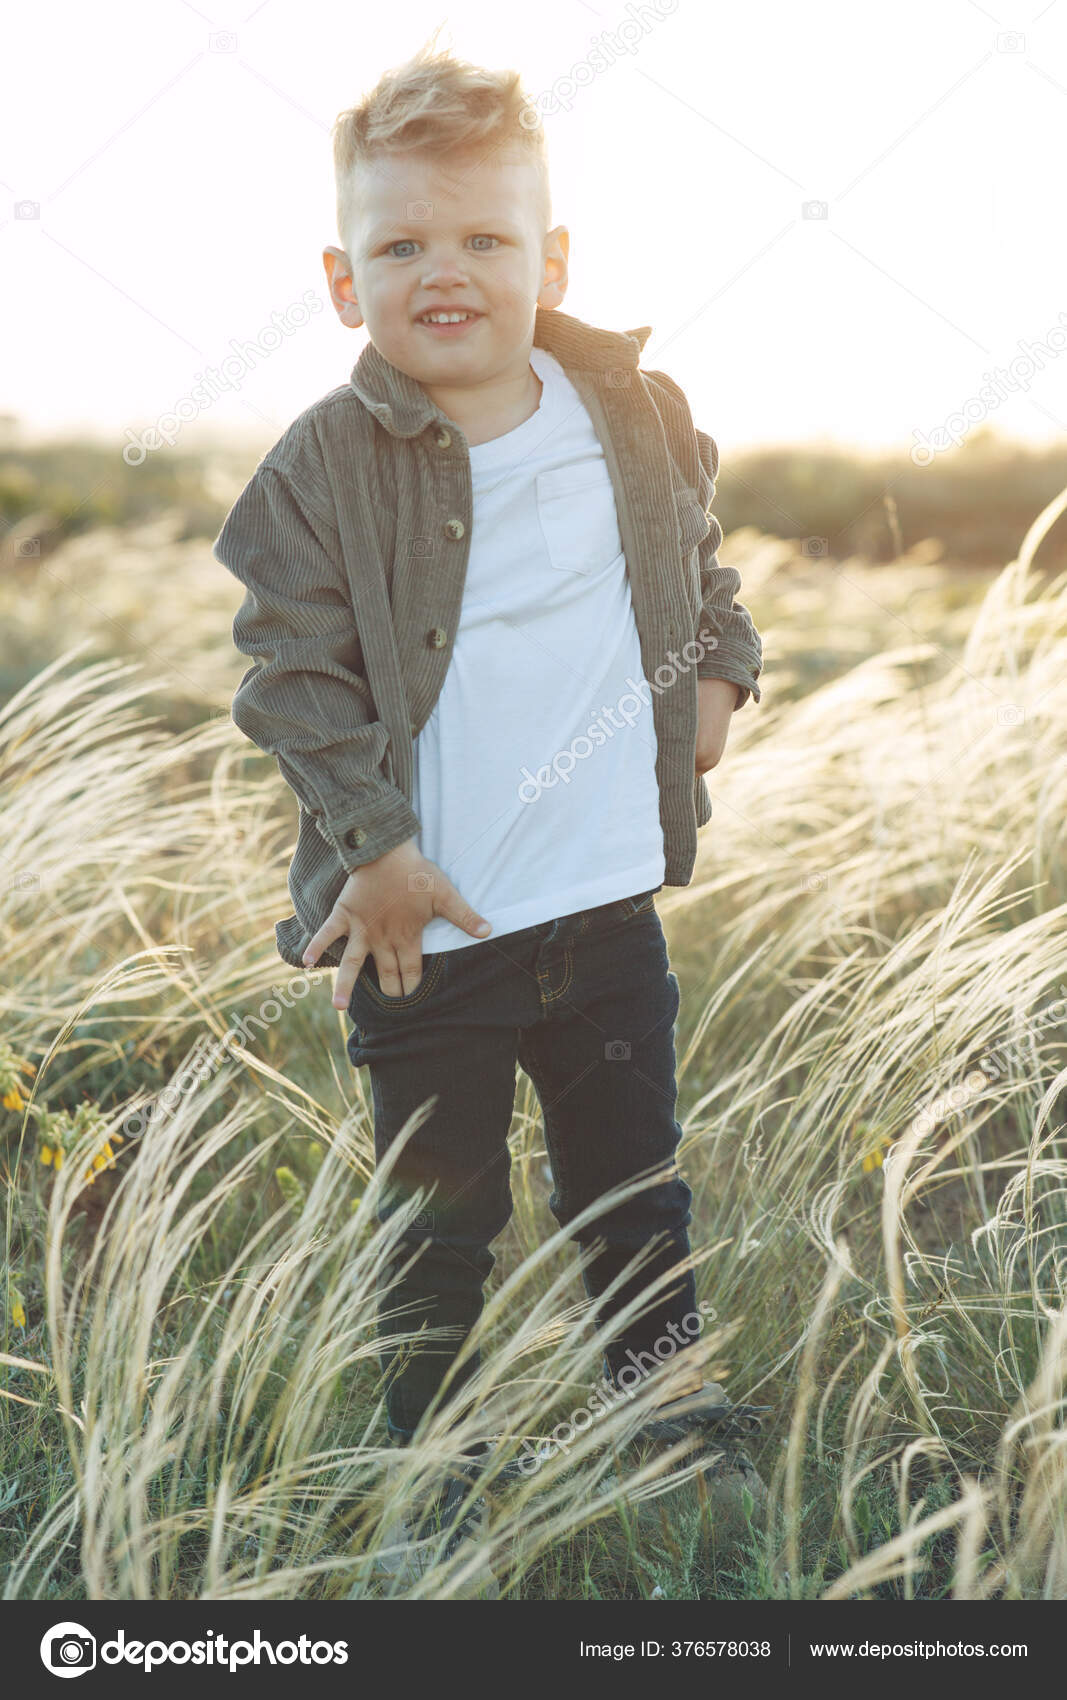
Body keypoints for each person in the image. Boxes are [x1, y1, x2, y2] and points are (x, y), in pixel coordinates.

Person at [214, 38, 768, 1571]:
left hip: (603, 912)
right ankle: (433, 1476)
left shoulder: (633, 412)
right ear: (345, 282)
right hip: (427, 934)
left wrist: (719, 679)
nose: (444, 272)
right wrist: (376, 851)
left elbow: (704, 564)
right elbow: (288, 673)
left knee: (633, 1197)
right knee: (438, 1228)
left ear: (551, 259)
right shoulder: (325, 465)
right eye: (402, 247)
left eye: (483, 238)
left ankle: (668, 1424)